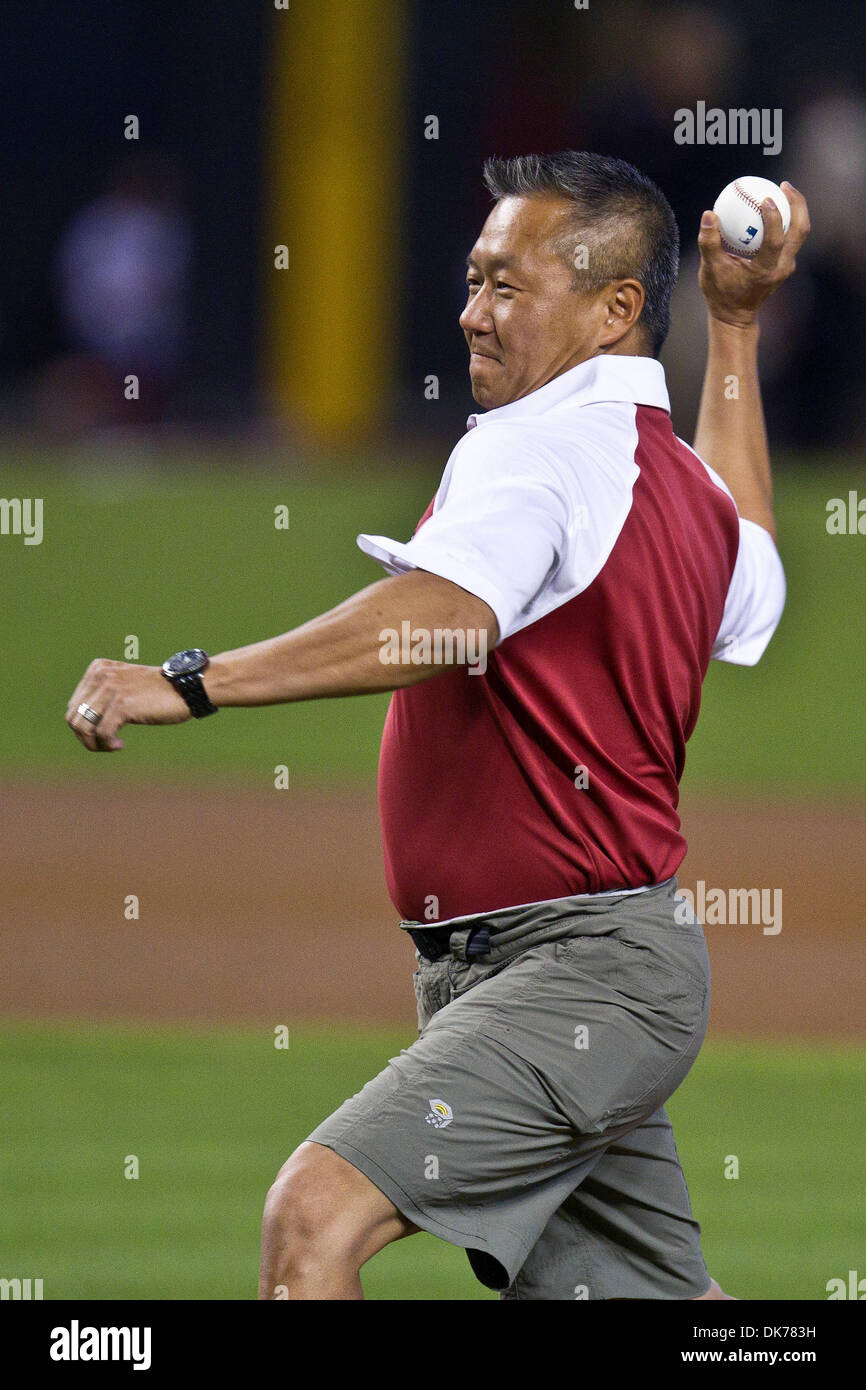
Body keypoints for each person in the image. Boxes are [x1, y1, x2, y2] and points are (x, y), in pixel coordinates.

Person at [66, 152, 809, 1301]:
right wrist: (736, 330)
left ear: (614, 311)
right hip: (607, 974)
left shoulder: (538, 449)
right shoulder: (676, 490)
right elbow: (752, 546)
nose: (470, 311)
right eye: (472, 279)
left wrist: (196, 680)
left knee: (310, 1224)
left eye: (507, 285)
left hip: (575, 976)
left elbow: (448, 620)